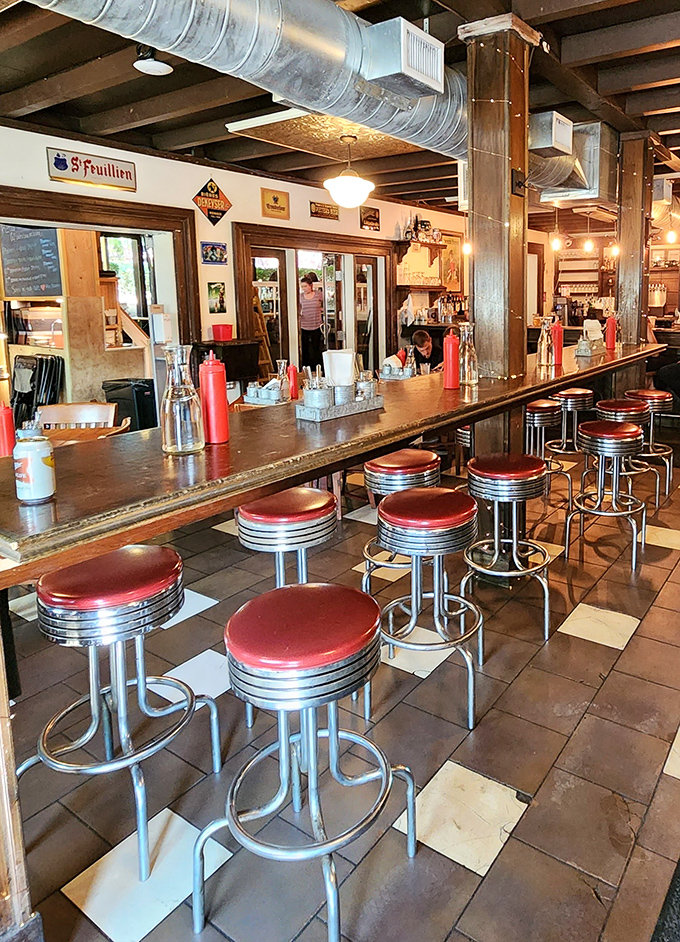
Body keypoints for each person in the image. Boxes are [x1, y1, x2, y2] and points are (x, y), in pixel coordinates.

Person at [299, 273, 324, 369]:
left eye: (305, 286)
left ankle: (317, 367)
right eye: (302, 287)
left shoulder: (318, 294)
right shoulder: (300, 296)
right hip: (304, 325)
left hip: (316, 324)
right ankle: (305, 367)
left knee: (316, 347)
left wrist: (322, 309)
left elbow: (326, 303)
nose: (304, 289)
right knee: (305, 348)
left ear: (311, 286)